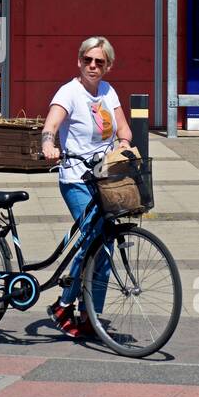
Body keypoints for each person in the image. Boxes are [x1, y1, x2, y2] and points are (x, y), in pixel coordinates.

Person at [40, 36, 134, 338]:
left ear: (107, 66)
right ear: (79, 61)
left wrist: (123, 144)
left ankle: (89, 313)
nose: (93, 66)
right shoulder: (69, 92)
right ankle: (64, 304)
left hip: (104, 178)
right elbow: (50, 126)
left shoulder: (108, 91)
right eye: (88, 60)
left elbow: (124, 130)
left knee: (104, 245)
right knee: (95, 241)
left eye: (100, 62)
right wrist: (49, 145)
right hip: (76, 179)